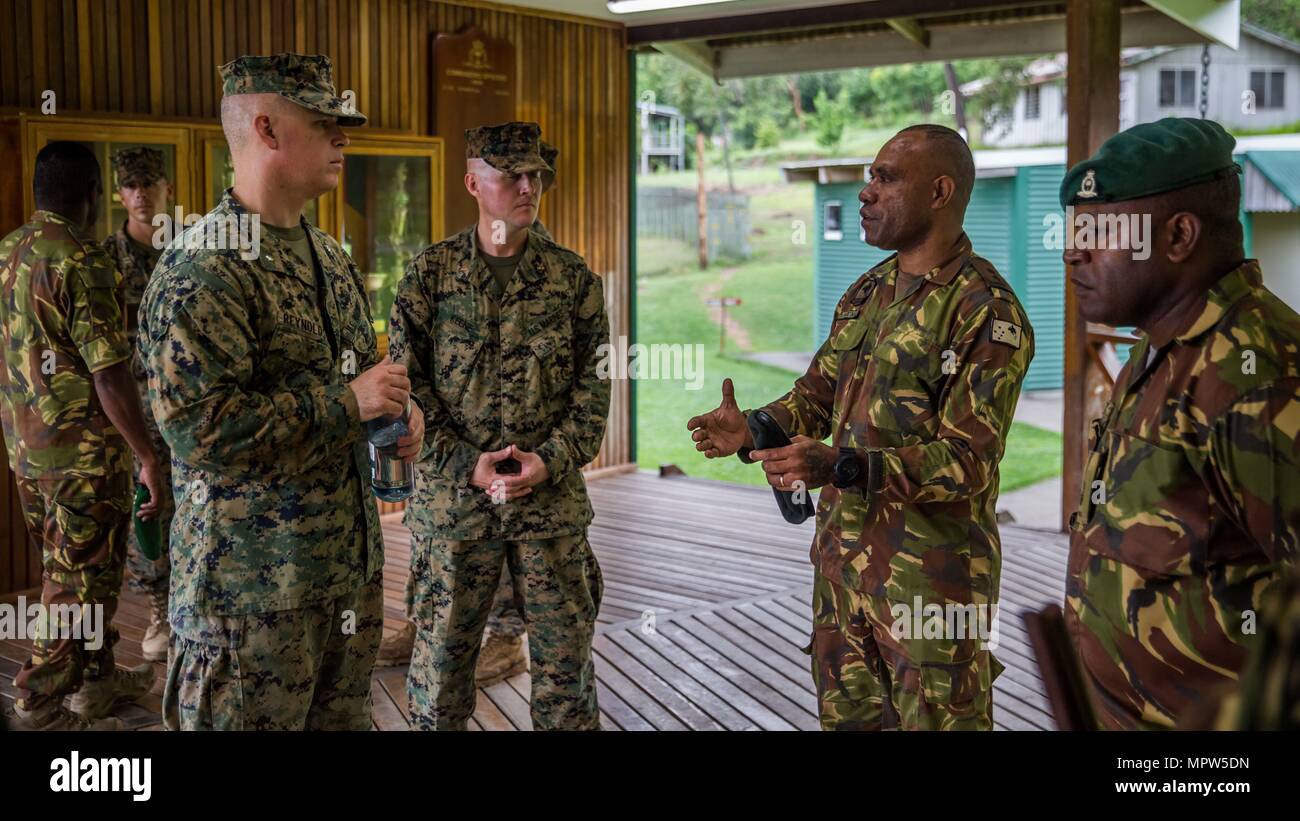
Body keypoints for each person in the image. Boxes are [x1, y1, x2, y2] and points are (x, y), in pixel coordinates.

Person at [688, 124, 1034, 730]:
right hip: (842, 574)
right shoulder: (866, 292)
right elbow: (816, 395)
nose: (865, 192)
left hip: (931, 589)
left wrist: (841, 466)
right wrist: (754, 429)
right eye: (870, 176)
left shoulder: (985, 310)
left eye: (886, 178)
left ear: (941, 192)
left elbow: (968, 463)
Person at [138, 52, 419, 730]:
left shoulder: (328, 256)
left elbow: (354, 383)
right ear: (265, 129)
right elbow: (198, 431)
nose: (343, 138)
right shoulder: (203, 268)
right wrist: (349, 402)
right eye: (325, 123)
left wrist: (391, 420)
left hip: (342, 586)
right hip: (247, 603)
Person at [1061, 117, 1300, 730]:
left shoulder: (1256, 375)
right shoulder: (1163, 345)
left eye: (1097, 231)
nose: (1072, 250)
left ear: (1179, 236)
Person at [389, 121, 610, 730]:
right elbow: (405, 390)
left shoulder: (572, 280)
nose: (527, 184)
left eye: (534, 172)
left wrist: (551, 460)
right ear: (472, 182)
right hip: (455, 509)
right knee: (441, 675)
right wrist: (465, 462)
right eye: (510, 173)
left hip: (549, 508)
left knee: (566, 673)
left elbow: (594, 390)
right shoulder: (427, 278)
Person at [1, 141, 164, 730]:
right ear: (96, 194)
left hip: (26, 452)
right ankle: (39, 704)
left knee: (70, 571)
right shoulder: (84, 259)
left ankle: (96, 681)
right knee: (76, 589)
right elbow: (109, 372)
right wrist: (147, 454)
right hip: (83, 457)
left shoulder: (8, 253)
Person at [100, 146, 174, 662]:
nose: (141, 194)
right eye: (131, 185)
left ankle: (195, 606)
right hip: (135, 419)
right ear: (119, 194)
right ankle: (159, 610)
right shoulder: (105, 261)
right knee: (148, 511)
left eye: (149, 183)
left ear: (167, 188)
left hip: (193, 411)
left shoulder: (189, 251)